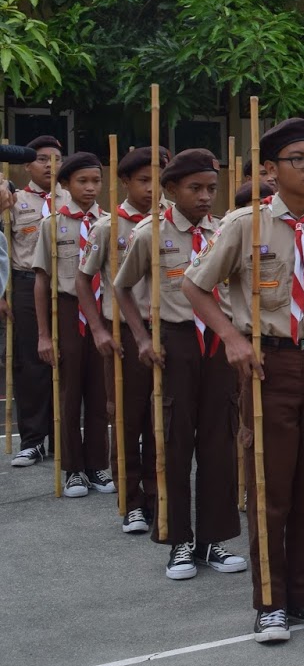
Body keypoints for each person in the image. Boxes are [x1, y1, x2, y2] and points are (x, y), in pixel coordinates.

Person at [184, 118, 304, 642]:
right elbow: (197, 287)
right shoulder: (245, 224)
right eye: (299, 159)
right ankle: (270, 602)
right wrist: (231, 337)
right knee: (271, 486)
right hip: (271, 364)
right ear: (269, 169)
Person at [116, 148, 248, 580]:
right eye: (195, 188)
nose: (206, 197)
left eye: (212, 188)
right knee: (173, 442)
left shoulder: (224, 230)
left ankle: (213, 540)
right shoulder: (150, 233)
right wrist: (140, 337)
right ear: (171, 190)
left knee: (219, 441)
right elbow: (122, 288)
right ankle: (178, 541)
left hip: (217, 342)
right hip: (173, 343)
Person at [79, 146, 164, 533]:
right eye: (143, 180)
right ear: (125, 182)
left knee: (162, 419)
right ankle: (130, 501)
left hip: (169, 334)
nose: (152, 188)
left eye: (158, 180)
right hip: (126, 334)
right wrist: (97, 328)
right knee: (130, 418)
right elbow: (83, 278)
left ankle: (157, 494)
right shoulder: (107, 227)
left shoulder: (172, 224)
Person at [36, 152, 112, 498]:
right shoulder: (52, 224)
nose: (91, 187)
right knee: (68, 392)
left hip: (100, 311)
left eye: (96, 180)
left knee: (101, 391)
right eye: (82, 181)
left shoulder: (109, 224)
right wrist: (43, 334)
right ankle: (73, 469)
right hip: (67, 312)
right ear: (65, 185)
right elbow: (41, 281)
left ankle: (97, 465)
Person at [9, 136, 65, 468]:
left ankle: (64, 436)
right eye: (42, 159)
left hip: (67, 287)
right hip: (26, 285)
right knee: (30, 362)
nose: (49, 165)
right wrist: (4, 293)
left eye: (56, 159)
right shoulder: (12, 201)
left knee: (66, 359)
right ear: (28, 164)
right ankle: (32, 440)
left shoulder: (73, 199)